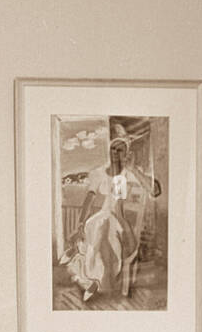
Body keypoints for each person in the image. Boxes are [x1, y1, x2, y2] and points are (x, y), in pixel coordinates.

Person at [60, 125, 161, 303]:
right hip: (101, 217)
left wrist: (133, 169)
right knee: (100, 226)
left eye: (120, 150)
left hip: (118, 220)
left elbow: (155, 191)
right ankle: (97, 280)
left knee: (107, 228)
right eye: (113, 148)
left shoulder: (126, 174)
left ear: (126, 153)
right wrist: (80, 224)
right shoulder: (98, 173)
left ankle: (97, 281)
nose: (116, 153)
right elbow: (88, 202)